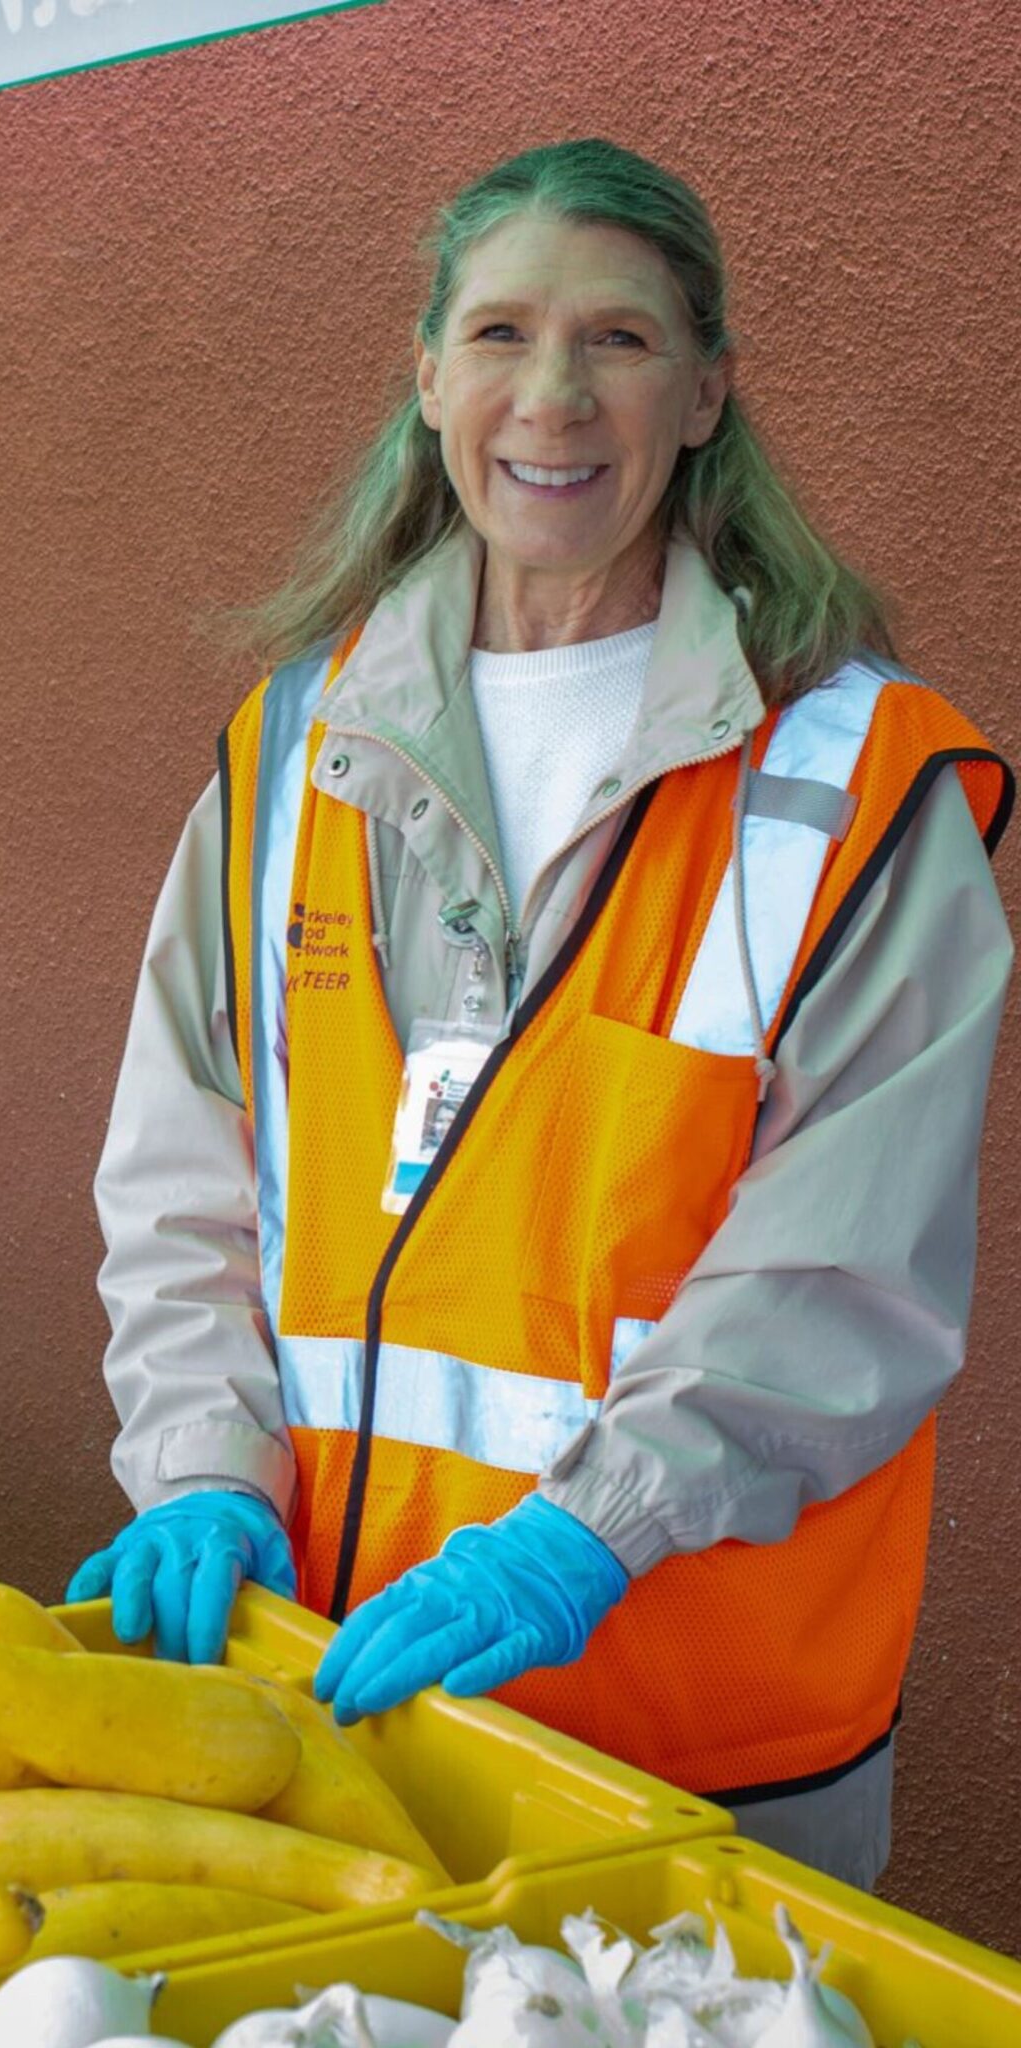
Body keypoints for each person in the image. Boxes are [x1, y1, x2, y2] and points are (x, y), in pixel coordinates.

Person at [67, 137, 1012, 1890]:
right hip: (342, 1700)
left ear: (709, 391)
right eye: (500, 333)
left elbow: (843, 1276)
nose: (554, 396)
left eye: (623, 342)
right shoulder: (294, 751)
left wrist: (581, 1539)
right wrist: (200, 1459)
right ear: (427, 379)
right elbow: (184, 1169)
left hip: (702, 1751)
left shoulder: (859, 787)